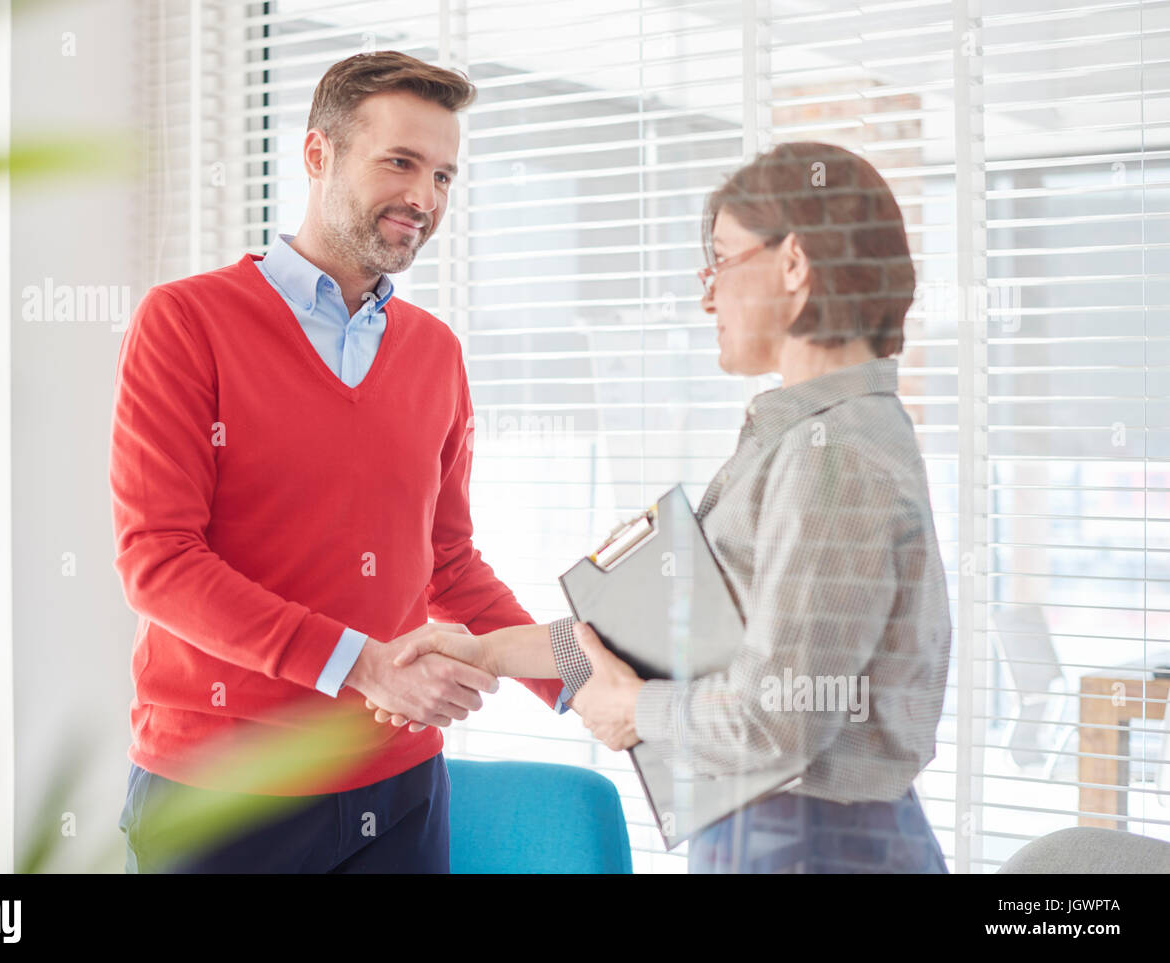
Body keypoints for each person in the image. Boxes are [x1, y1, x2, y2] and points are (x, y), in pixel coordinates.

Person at [373, 142, 954, 874]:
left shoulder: (833, 456)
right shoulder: (796, 442)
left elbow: (780, 716)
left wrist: (634, 710)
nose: (708, 295)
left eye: (721, 261)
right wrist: (485, 650)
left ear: (795, 265)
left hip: (818, 844)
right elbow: (669, 642)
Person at [110, 51, 576, 874]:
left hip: (399, 784)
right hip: (222, 790)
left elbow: (449, 561)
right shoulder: (186, 322)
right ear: (318, 155)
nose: (424, 199)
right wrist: (362, 666)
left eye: (443, 176)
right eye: (400, 162)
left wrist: (577, 677)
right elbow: (158, 562)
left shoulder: (436, 353)